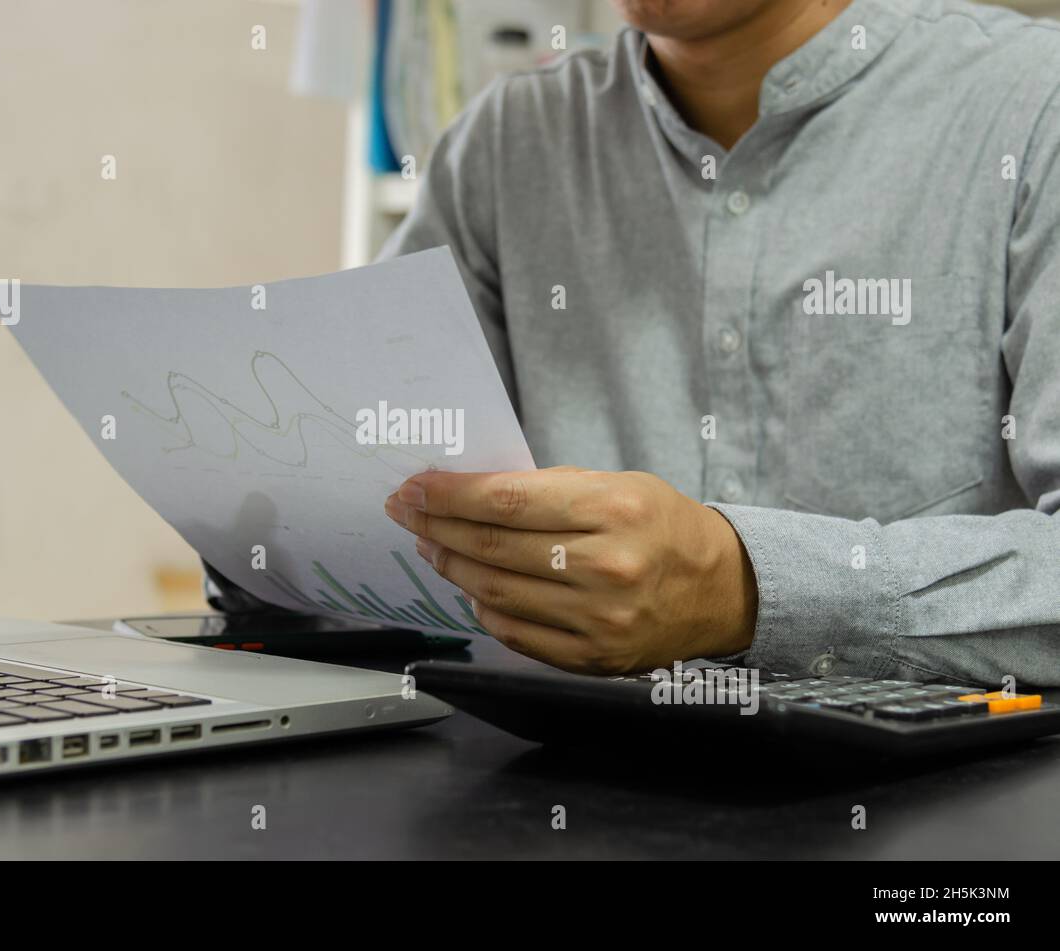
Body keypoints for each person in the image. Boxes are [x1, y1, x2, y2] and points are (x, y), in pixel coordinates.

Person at [374, 0, 1060, 684]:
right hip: (556, 768)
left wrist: (747, 589)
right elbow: (360, 482)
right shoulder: (506, 141)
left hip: (948, 788)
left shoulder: (1034, 105)